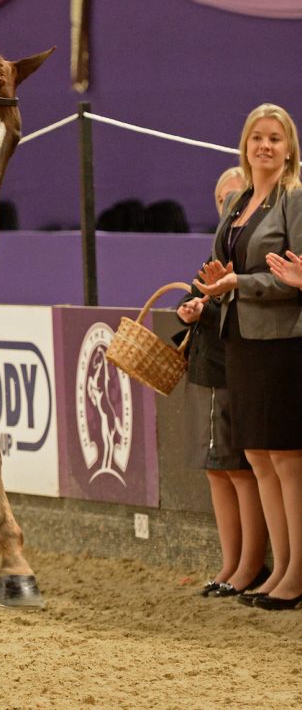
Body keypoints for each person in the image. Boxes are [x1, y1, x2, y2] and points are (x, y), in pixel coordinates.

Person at [195, 104, 302, 610]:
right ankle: (278, 569)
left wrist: (242, 281)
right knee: (258, 457)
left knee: (285, 458)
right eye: (257, 137)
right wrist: (214, 289)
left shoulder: (294, 197)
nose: (265, 146)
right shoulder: (239, 200)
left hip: (282, 341)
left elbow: (294, 276)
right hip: (239, 338)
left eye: (275, 139)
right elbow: (233, 270)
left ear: (289, 148)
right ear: (244, 144)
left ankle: (296, 573)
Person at [177, 167, 268, 598]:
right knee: (219, 472)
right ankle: (231, 563)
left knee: (240, 470)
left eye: (236, 200)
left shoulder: (254, 257)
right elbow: (192, 295)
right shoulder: (215, 253)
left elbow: (241, 311)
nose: (228, 209)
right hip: (208, 372)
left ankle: (250, 564)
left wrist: (206, 308)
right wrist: (190, 309)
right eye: (222, 202)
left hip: (233, 374)